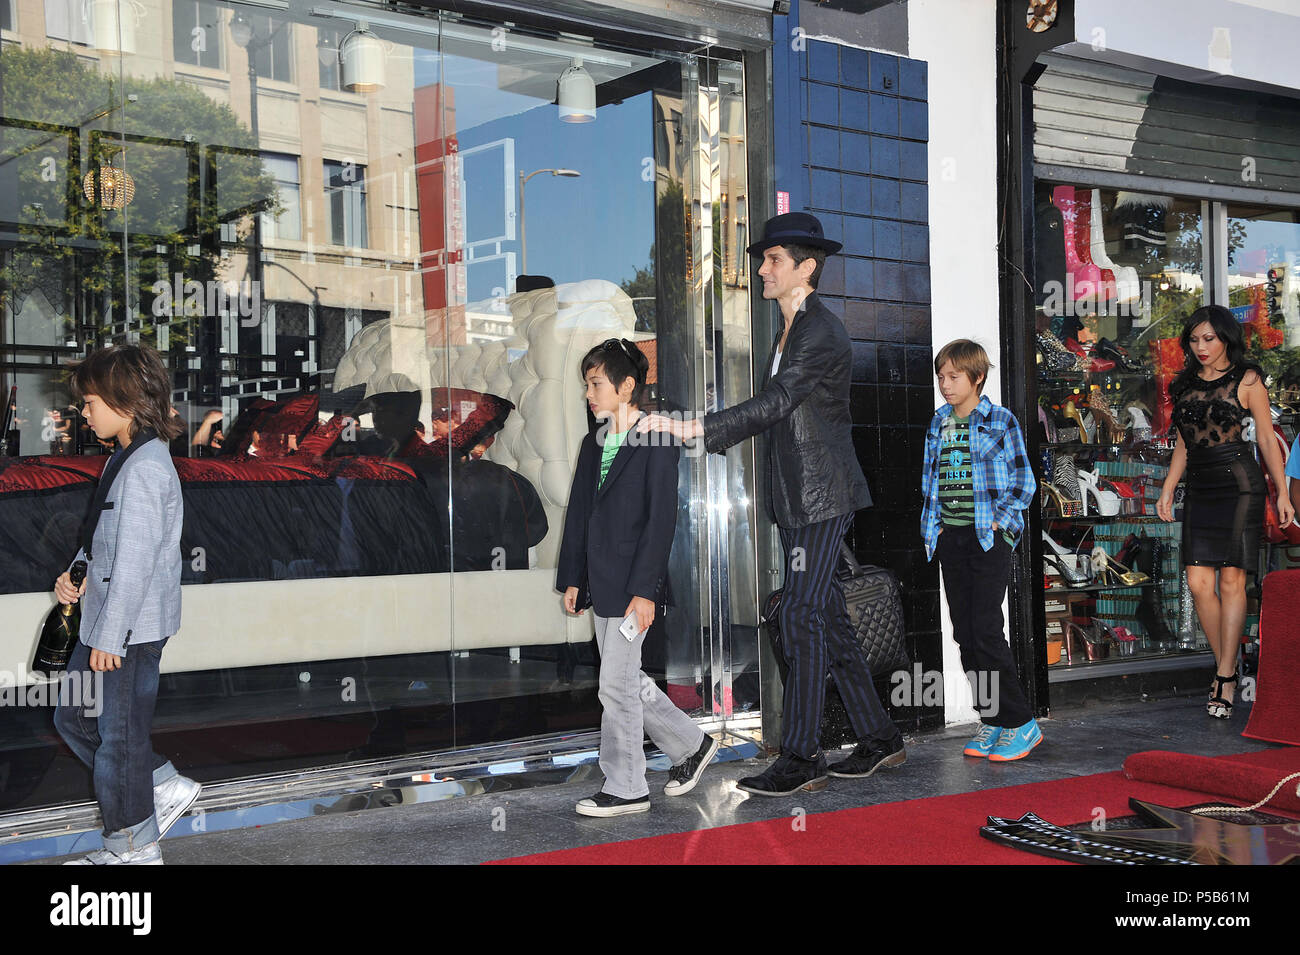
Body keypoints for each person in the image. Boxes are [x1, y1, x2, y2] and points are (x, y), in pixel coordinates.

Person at [640, 211, 904, 795]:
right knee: (828, 616)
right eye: (764, 260)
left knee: (801, 614)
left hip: (823, 495)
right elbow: (779, 409)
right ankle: (880, 737)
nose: (763, 268)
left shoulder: (821, 331)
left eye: (773, 260)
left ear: (806, 268)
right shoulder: (788, 330)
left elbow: (778, 403)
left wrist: (693, 430)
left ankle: (802, 755)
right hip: (798, 497)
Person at [52, 344, 201, 864]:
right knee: (75, 718)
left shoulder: (145, 468)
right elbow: (110, 537)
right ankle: (158, 782)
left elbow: (137, 562)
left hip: (128, 629)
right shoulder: (127, 456)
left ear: (127, 401)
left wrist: (110, 639)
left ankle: (133, 847)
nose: (84, 412)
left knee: (118, 740)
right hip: (110, 621)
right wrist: (78, 572)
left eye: (90, 402)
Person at [556, 338, 717, 816]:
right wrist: (574, 578)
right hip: (601, 582)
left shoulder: (656, 437)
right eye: (586, 384)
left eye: (596, 383)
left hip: (633, 588)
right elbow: (581, 514)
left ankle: (626, 786)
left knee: (616, 685)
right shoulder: (594, 442)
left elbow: (661, 519)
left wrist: (645, 591)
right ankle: (690, 746)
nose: (588, 393)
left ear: (626, 386)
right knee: (625, 679)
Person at [1156, 305, 1294, 719]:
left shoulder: (1248, 381)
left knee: (1232, 583)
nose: (1201, 347)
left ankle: (1224, 677)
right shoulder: (1182, 385)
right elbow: (1184, 443)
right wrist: (1168, 488)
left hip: (1239, 486)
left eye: (1209, 339)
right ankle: (1229, 668)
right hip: (1200, 487)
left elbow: (1268, 443)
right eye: (1195, 340)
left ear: (1226, 339)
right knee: (1199, 583)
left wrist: (1282, 493)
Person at [922, 340, 1041, 760]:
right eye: (941, 377)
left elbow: (1024, 482)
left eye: (954, 376)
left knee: (987, 630)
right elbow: (930, 483)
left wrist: (999, 520)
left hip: (989, 539)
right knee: (965, 634)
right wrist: (934, 528)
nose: (945, 385)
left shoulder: (1000, 420)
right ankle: (993, 719)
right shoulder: (938, 423)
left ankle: (1020, 722)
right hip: (950, 539)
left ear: (978, 378)